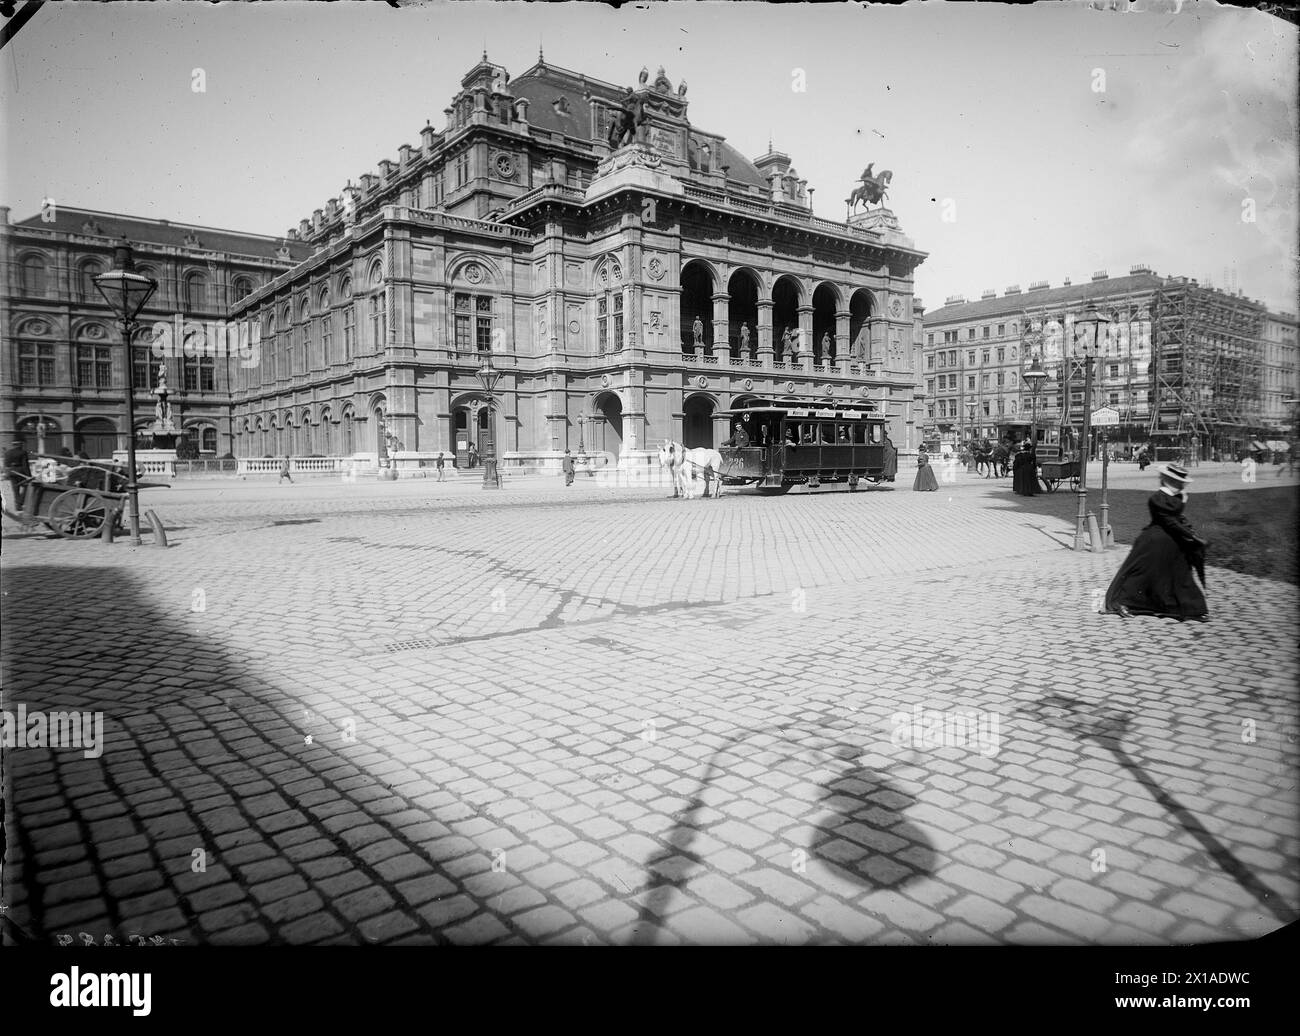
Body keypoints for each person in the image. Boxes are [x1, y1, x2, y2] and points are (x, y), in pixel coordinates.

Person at [1104, 463, 1207, 621]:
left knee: (1181, 574)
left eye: (1180, 482)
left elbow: (1177, 518)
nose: (1179, 485)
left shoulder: (1177, 497)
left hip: (1173, 542)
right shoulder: (1157, 499)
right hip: (1153, 543)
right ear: (1166, 480)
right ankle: (1123, 603)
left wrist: (1189, 532)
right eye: (1176, 481)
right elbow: (1170, 520)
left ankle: (1192, 608)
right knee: (1141, 574)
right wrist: (1191, 535)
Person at [3, 434, 32, 512]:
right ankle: (20, 502)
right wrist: (29, 476)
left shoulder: (7, 453)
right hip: (21, 472)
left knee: (15, 490)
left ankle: (18, 506)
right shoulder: (22, 452)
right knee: (27, 487)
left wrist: (7, 473)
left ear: (13, 444)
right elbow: (25, 465)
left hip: (12, 473)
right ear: (20, 444)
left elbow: (6, 464)